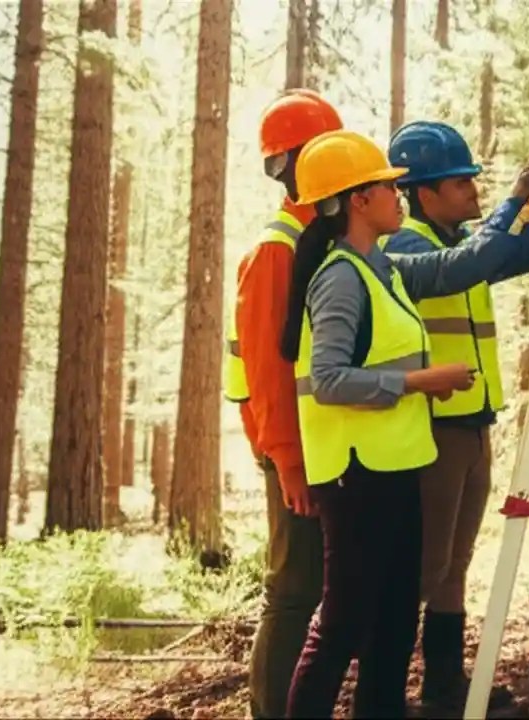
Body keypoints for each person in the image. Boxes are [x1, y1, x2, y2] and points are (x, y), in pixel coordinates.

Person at [281, 129, 529, 719]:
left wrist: (527, 204)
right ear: (358, 200)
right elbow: (328, 378)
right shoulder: (339, 277)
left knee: (398, 616)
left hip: (398, 465)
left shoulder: (385, 268)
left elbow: (464, 264)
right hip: (355, 475)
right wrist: (416, 383)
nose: (397, 193)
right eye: (388, 185)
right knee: (343, 623)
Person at [381, 120, 529, 712]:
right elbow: (463, 265)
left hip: (475, 427)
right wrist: (514, 201)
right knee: (424, 570)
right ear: (423, 193)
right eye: (458, 182)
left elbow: (525, 252)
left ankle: (444, 690)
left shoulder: (462, 240)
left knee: (455, 567)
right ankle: (385, 695)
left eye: (474, 179)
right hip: (433, 431)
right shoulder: (402, 245)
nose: (472, 188)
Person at [221, 89, 342, 720]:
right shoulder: (280, 247)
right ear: (292, 164)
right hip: (291, 448)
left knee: (320, 586)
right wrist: (289, 461)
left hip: (323, 443)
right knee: (294, 591)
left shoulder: (323, 236)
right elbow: (269, 372)